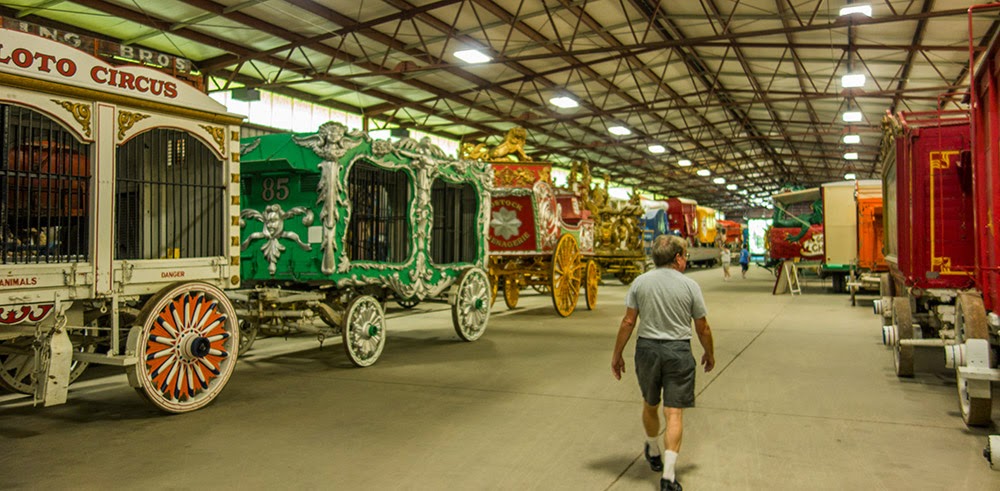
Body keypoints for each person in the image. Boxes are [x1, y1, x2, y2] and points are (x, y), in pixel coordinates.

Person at [611, 235, 715, 491]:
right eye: (685, 256)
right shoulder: (690, 286)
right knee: (674, 412)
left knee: (650, 403)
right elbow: (702, 327)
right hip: (678, 351)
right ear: (678, 258)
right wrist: (709, 353)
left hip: (646, 349)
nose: (686, 260)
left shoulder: (639, 283)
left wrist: (617, 355)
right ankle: (668, 477)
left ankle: (652, 448)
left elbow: (627, 322)